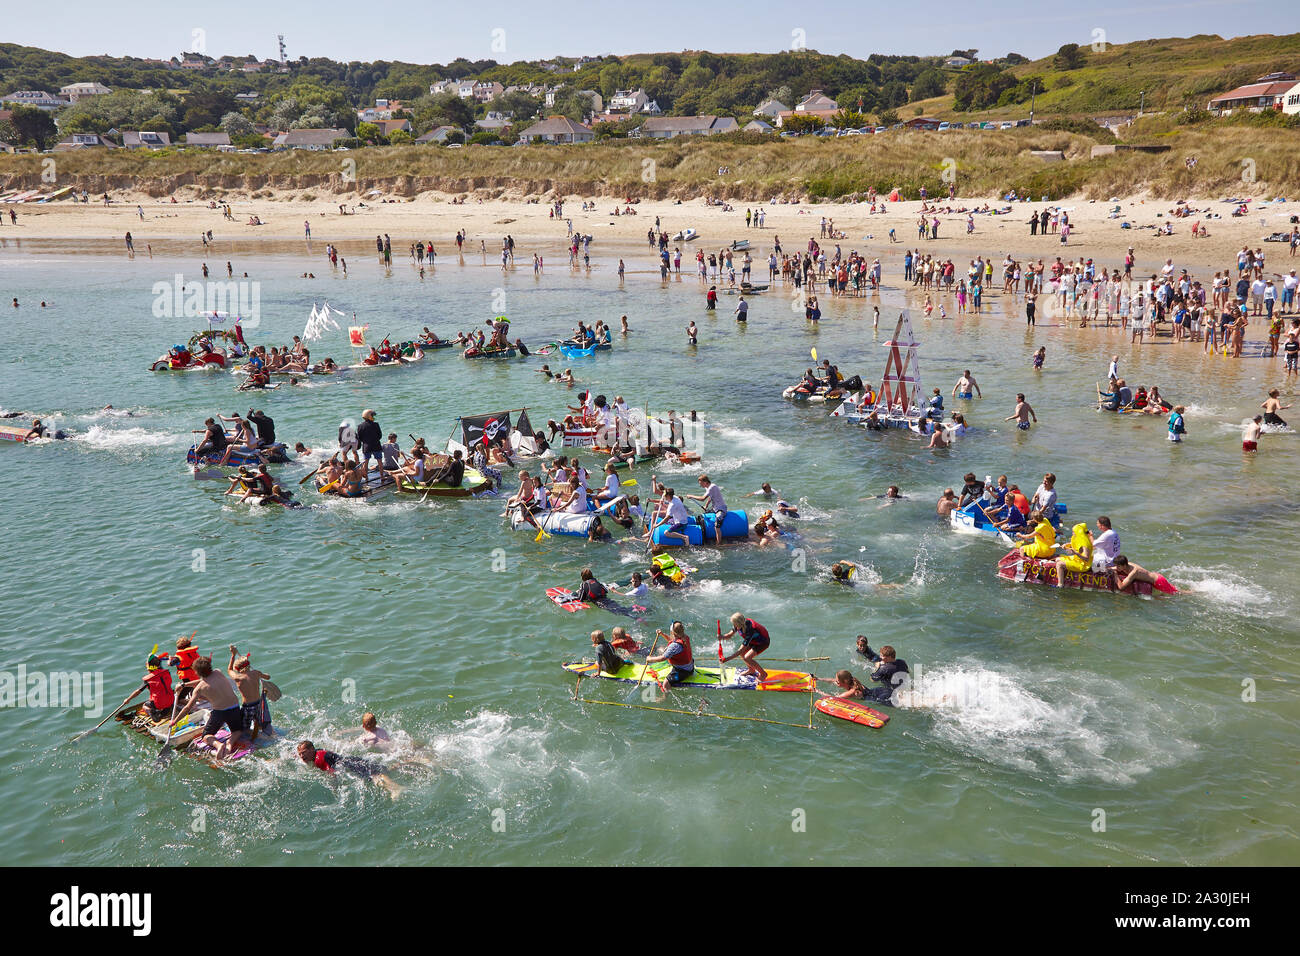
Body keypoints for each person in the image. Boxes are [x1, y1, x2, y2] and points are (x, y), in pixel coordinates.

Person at [170, 656, 246, 761]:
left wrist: (174, 721)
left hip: (220, 713)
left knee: (206, 736)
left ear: (197, 672)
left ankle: (218, 745)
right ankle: (229, 744)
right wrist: (184, 685)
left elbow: (187, 707)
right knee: (237, 731)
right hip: (234, 708)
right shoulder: (218, 672)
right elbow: (204, 680)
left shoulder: (199, 688)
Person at [296, 741, 404, 798]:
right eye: (300, 754)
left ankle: (395, 788)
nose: (301, 756)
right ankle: (408, 762)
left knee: (375, 776)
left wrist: (335, 789)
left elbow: (332, 773)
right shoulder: (317, 753)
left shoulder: (319, 760)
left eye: (304, 753)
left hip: (349, 765)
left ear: (311, 749)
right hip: (350, 760)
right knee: (383, 769)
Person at [227, 644, 272, 741]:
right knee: (261, 724)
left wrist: (233, 655)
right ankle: (269, 734)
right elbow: (268, 677)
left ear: (238, 669)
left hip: (248, 707)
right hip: (259, 704)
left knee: (244, 729)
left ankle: (259, 737)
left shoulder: (238, 678)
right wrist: (263, 675)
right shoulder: (256, 673)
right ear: (249, 665)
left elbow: (229, 670)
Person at [122, 650, 176, 721]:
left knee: (144, 706)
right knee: (165, 697)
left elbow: (138, 691)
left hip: (159, 704)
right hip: (171, 699)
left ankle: (154, 714)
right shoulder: (167, 673)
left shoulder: (149, 679)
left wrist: (128, 699)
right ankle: (165, 711)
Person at [720, 613, 769, 682]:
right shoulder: (738, 625)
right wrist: (722, 637)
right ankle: (751, 670)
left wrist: (727, 659)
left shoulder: (750, 629)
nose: (734, 626)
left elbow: (740, 650)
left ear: (739, 623)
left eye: (735, 624)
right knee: (742, 654)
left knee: (747, 657)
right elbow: (729, 635)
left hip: (762, 642)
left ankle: (763, 674)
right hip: (753, 641)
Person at [685, 474, 727, 544]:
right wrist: (706, 506)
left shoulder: (712, 487)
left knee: (717, 525)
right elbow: (710, 497)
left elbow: (702, 498)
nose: (700, 485)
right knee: (703, 517)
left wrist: (691, 496)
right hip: (714, 508)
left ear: (705, 482)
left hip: (721, 509)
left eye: (701, 483)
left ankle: (718, 543)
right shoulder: (708, 488)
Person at [1110, 555, 1178, 594]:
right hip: (1156, 577)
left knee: (1176, 593)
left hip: (1158, 581)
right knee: (1174, 590)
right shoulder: (1126, 565)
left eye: (1118, 566)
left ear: (1124, 565)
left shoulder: (1133, 572)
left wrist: (1115, 575)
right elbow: (1112, 568)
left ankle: (1188, 593)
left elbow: (1121, 587)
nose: (1116, 568)